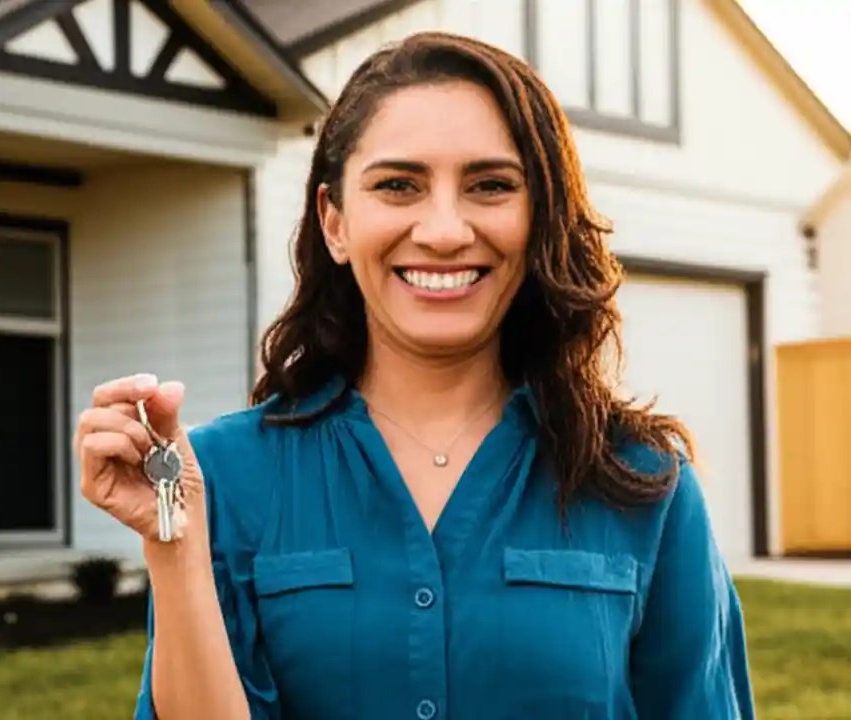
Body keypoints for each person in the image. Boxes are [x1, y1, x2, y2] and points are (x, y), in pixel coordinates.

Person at [74, 30, 755, 720]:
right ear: (334, 223)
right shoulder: (216, 477)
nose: (443, 229)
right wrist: (174, 549)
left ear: (540, 215)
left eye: (491, 186)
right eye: (398, 186)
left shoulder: (643, 483)